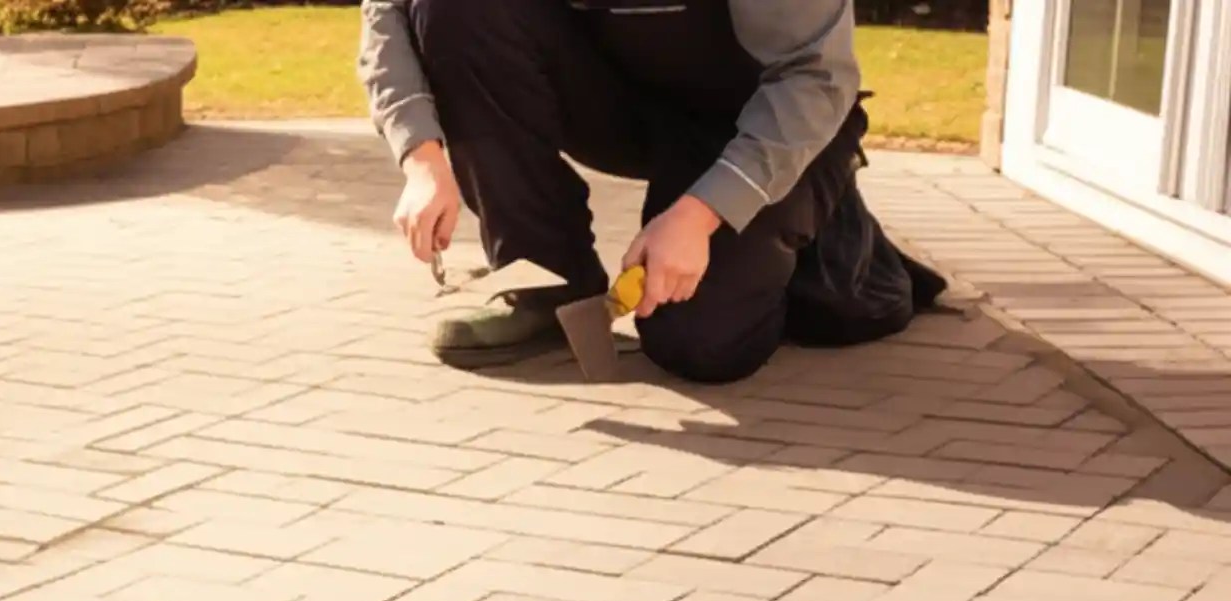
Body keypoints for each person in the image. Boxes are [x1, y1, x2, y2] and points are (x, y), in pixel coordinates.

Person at [358, 0, 947, 383]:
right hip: (627, 100)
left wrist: (700, 214)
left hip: (760, 119)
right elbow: (390, 8)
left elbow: (815, 77)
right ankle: (544, 279)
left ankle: (841, 233)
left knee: (702, 346)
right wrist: (423, 157)